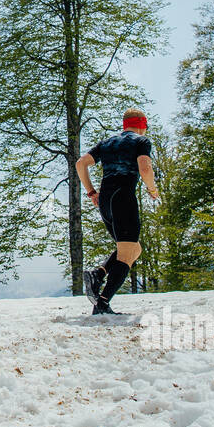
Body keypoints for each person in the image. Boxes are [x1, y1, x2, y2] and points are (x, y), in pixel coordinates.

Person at [75, 108, 159, 315]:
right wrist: (152, 189)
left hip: (105, 200)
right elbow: (145, 169)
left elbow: (81, 163)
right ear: (141, 125)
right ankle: (102, 303)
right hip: (123, 197)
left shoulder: (108, 143)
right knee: (128, 251)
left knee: (133, 249)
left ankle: (99, 274)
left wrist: (91, 192)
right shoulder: (141, 141)